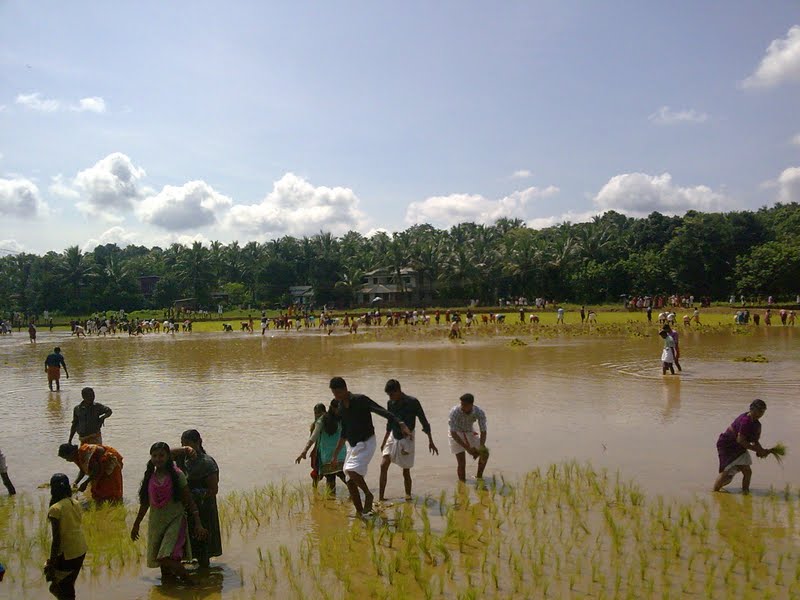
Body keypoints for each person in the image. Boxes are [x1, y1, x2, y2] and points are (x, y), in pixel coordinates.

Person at [328, 377, 411, 515]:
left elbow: (381, 411)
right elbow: (344, 432)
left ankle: (368, 494)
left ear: (344, 389)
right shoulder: (341, 407)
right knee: (349, 480)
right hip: (353, 446)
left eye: (337, 393)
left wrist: (400, 423)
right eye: (333, 393)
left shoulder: (360, 400)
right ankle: (360, 512)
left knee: (352, 471)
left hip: (367, 442)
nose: (336, 396)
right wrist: (335, 454)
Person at [130, 442, 207, 582]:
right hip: (157, 523)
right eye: (154, 456)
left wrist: (198, 523)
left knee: (164, 557)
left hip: (175, 521)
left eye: (161, 455)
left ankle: (191, 583)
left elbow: (189, 500)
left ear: (168, 457)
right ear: (150, 457)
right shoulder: (150, 477)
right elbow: (145, 503)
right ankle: (172, 591)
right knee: (164, 571)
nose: (158, 459)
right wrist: (136, 525)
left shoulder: (178, 475)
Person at [378, 379, 438, 502]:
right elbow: (389, 423)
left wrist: (430, 441)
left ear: (398, 391)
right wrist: (384, 441)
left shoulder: (413, 402)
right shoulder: (390, 403)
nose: (390, 397)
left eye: (391, 394)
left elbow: (424, 421)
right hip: (393, 436)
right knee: (383, 465)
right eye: (388, 395)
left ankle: (408, 496)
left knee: (406, 470)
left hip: (407, 438)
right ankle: (381, 498)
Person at [172, 430, 222, 569]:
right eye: (182, 444)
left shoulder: (207, 463)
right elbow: (163, 453)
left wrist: (192, 495)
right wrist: (183, 449)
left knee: (203, 544)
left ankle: (205, 574)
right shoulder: (183, 458)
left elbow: (213, 490)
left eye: (187, 444)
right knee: (188, 542)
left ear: (198, 442)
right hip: (188, 507)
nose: (185, 447)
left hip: (204, 508)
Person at [714, 400, 779, 494]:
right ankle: (715, 493)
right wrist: (757, 450)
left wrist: (760, 451)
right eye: (758, 411)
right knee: (726, 472)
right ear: (752, 409)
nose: (760, 414)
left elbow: (755, 441)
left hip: (739, 447)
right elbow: (740, 440)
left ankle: (745, 492)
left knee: (747, 471)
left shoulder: (757, 424)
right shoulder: (745, 421)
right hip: (727, 445)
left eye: (762, 412)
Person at [45, 473, 87, 600]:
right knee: (67, 585)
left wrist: (52, 562)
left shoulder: (55, 509)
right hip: (81, 549)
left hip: (68, 553)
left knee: (61, 588)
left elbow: (57, 539)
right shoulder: (75, 502)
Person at [297, 399, 347, 493]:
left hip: (328, 457)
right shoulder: (341, 419)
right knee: (344, 478)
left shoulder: (322, 421)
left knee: (331, 482)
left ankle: (329, 504)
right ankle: (352, 500)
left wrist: (304, 451)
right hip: (340, 456)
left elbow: (313, 438)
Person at [58, 443, 124, 503]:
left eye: (66, 458)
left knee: (109, 485)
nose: (67, 460)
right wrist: (76, 482)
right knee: (98, 488)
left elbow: (96, 469)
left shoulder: (83, 452)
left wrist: (85, 483)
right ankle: (103, 502)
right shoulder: (76, 457)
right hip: (100, 466)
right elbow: (82, 470)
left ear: (71, 453)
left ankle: (113, 502)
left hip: (109, 462)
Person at [448, 393, 488, 482]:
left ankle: (479, 478)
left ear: (471, 405)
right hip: (456, 433)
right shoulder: (455, 412)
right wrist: (468, 448)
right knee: (462, 463)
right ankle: (462, 484)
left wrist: (481, 447)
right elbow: (453, 433)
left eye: (465, 405)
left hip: (469, 431)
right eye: (461, 404)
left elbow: (483, 431)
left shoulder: (479, 412)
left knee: (485, 454)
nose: (462, 406)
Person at [296, 403, 328, 486]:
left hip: (326, 451)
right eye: (315, 413)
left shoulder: (328, 423)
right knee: (316, 475)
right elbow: (313, 439)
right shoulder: (314, 425)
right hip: (319, 450)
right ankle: (315, 494)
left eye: (319, 412)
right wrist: (313, 450)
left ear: (324, 412)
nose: (317, 415)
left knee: (319, 474)